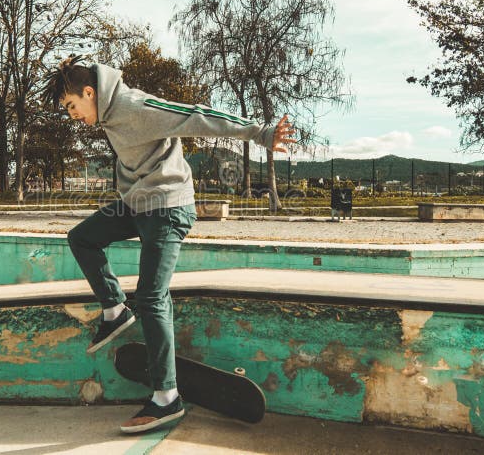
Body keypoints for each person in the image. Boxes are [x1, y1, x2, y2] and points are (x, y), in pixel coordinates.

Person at [43, 56, 296, 434]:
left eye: (71, 106)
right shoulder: (108, 116)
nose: (72, 115)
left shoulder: (134, 106)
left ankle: (166, 398)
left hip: (168, 207)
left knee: (151, 296)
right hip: (139, 205)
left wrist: (260, 133)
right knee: (82, 237)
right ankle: (114, 310)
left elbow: (195, 115)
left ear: (90, 93)